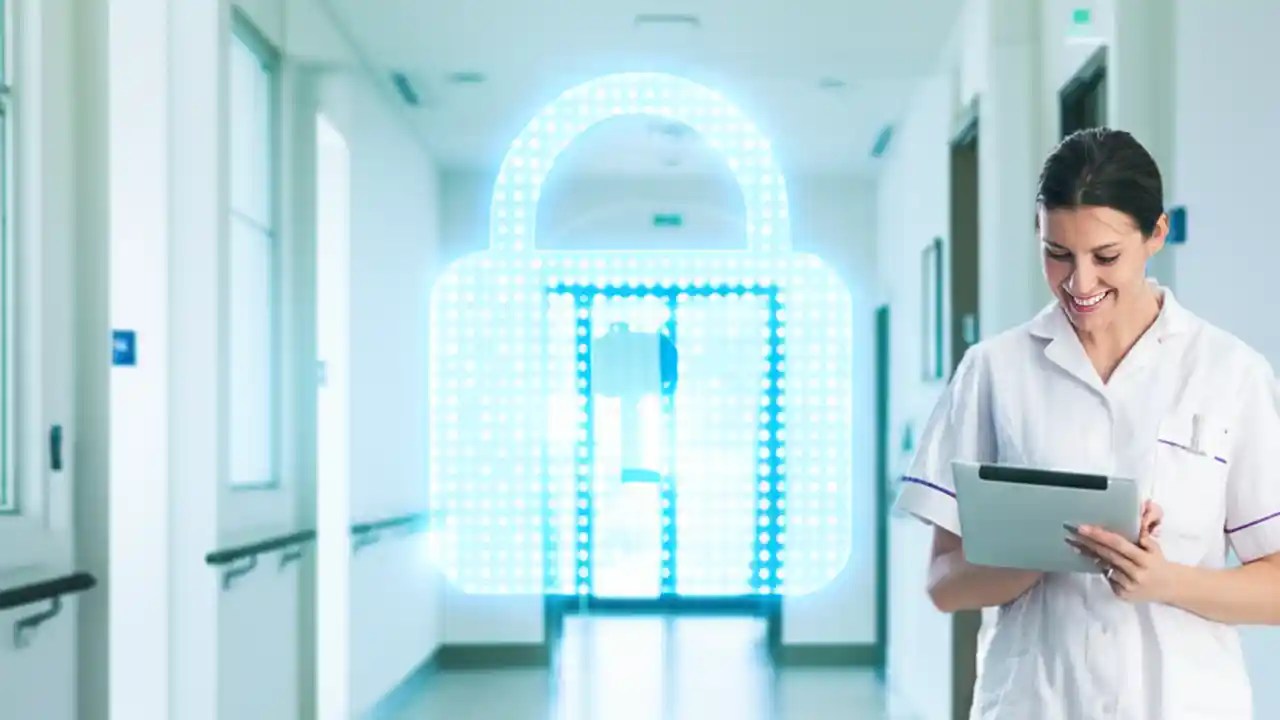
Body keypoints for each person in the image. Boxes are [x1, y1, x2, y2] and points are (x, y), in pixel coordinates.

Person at [893, 127, 1280, 719]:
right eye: (1057, 254)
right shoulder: (995, 370)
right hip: (1035, 702)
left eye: (1105, 258)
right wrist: (1049, 544)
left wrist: (1162, 580)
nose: (1079, 283)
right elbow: (945, 582)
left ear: (1155, 234)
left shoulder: (1230, 373)